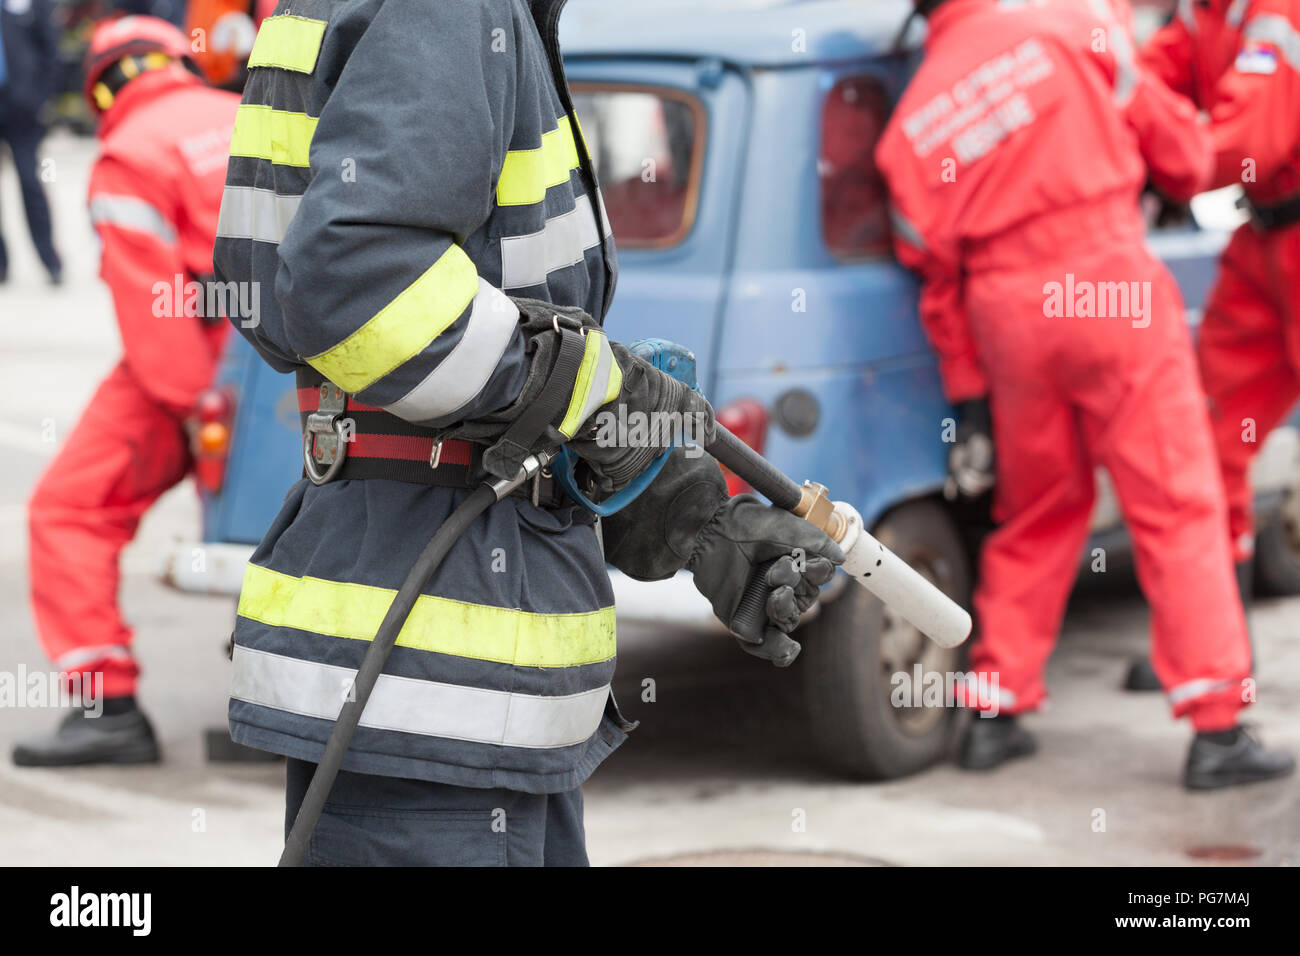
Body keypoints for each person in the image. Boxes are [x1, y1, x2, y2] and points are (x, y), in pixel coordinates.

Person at [213, 0, 844, 866]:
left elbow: (487, 345)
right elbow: (361, 287)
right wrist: (594, 390)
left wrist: (683, 515)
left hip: (453, 689)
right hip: (442, 688)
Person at [874, 0, 1293, 788]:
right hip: (1107, 283)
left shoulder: (913, 120)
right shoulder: (1072, 22)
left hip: (1006, 315)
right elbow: (1183, 155)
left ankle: (996, 708)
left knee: (1040, 505)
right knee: (1176, 501)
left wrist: (970, 389)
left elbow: (934, 276)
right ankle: (1216, 727)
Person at [13, 15, 238, 767]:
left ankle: (105, 705)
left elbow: (157, 311)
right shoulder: (245, 115)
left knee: (67, 511)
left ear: (103, 85)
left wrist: (198, 415)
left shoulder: (129, 154)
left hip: (193, 368)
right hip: (296, 364)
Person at [1140, 0, 1300, 631]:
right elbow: (1139, 78)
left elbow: (1249, 140)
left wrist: (1145, 158)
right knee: (1209, 443)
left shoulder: (1273, 12)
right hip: (1263, 239)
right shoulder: (1201, 14)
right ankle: (1216, 645)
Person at [0, 0, 63, 284]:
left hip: (22, 109)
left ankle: (50, 259)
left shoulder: (29, 5)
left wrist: (39, 99)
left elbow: (51, 52)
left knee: (31, 181)